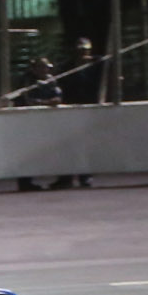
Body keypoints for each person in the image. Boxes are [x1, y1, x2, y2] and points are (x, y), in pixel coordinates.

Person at [49, 37, 100, 189]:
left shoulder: (95, 65)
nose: (82, 54)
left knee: (86, 144)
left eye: (85, 50)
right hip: (70, 108)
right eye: (80, 50)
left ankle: (85, 176)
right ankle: (66, 177)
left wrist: (93, 60)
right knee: (67, 144)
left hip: (88, 108)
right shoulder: (68, 67)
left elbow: (105, 62)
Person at [16, 55, 60, 192]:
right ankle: (25, 181)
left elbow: (57, 99)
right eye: (41, 67)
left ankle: (64, 178)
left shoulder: (51, 81)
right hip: (29, 122)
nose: (44, 70)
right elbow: (29, 101)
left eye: (46, 67)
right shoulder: (27, 81)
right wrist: (44, 102)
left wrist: (43, 102)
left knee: (56, 148)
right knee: (28, 151)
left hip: (49, 122)